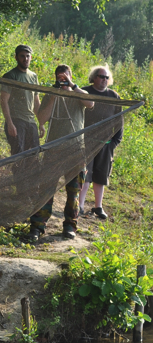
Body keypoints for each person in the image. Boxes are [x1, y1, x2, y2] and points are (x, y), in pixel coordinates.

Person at [28, 65, 93, 243]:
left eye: (65, 77)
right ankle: (37, 227)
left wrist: (72, 85)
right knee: (46, 189)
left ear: (71, 77)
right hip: (53, 151)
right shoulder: (51, 94)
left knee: (74, 192)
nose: (63, 80)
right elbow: (41, 119)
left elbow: (90, 103)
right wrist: (54, 95)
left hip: (75, 151)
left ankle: (70, 227)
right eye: (60, 78)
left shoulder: (78, 93)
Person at [78, 65, 123, 220]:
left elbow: (119, 121)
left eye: (107, 77)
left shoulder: (113, 96)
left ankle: (98, 207)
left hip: (105, 143)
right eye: (101, 76)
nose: (104, 80)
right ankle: (79, 206)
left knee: (101, 176)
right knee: (85, 175)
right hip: (86, 141)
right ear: (94, 77)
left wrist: (113, 142)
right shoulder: (85, 92)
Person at [0, 45, 44, 154]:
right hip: (16, 120)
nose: (25, 59)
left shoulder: (33, 76)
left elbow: (36, 101)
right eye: (22, 56)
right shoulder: (10, 76)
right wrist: (10, 123)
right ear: (16, 57)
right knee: (18, 155)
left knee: (34, 155)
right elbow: (3, 100)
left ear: (31, 57)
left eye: (27, 56)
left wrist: (41, 123)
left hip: (31, 121)